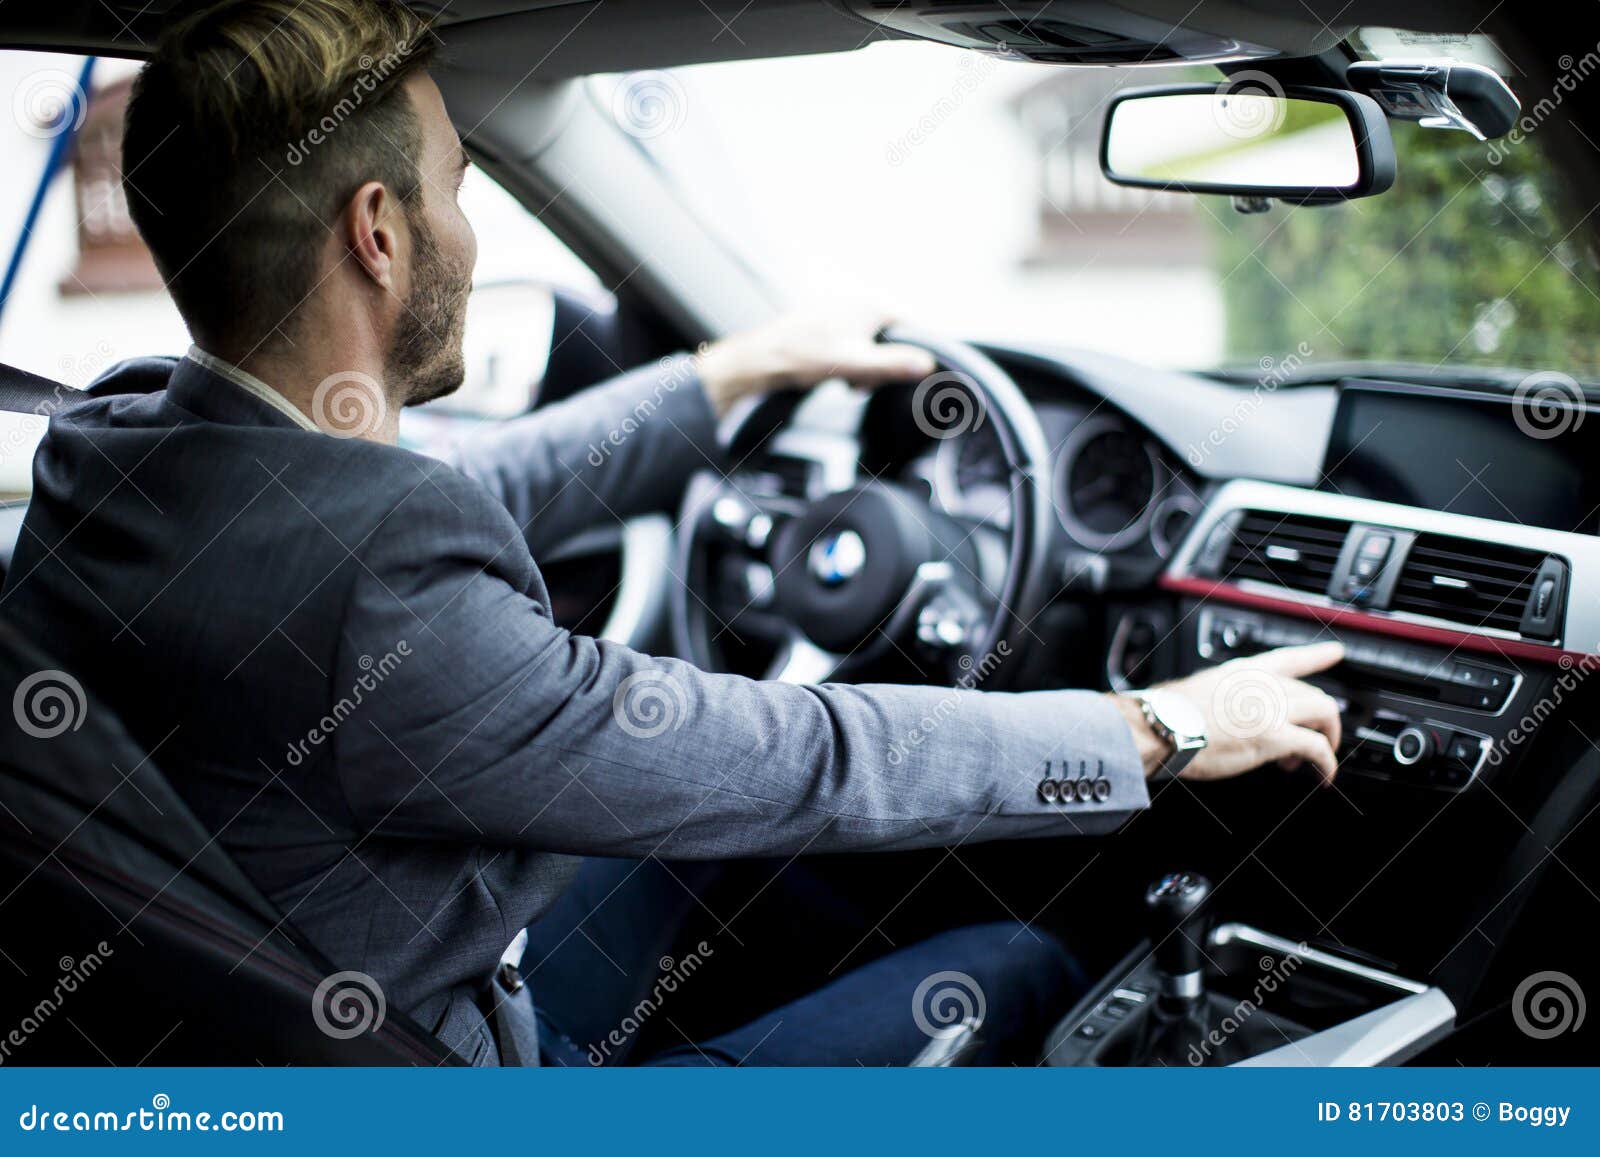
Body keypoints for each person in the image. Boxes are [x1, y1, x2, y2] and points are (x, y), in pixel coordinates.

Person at [0, 0, 1344, 1065]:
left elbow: (490, 491)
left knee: (698, 880)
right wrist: (1157, 728)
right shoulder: (382, 593)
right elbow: (799, 756)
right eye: (459, 187)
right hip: (450, 1064)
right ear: (378, 233)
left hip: (292, 1015)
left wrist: (732, 373)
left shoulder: (119, 450)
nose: (468, 229)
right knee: (1019, 970)